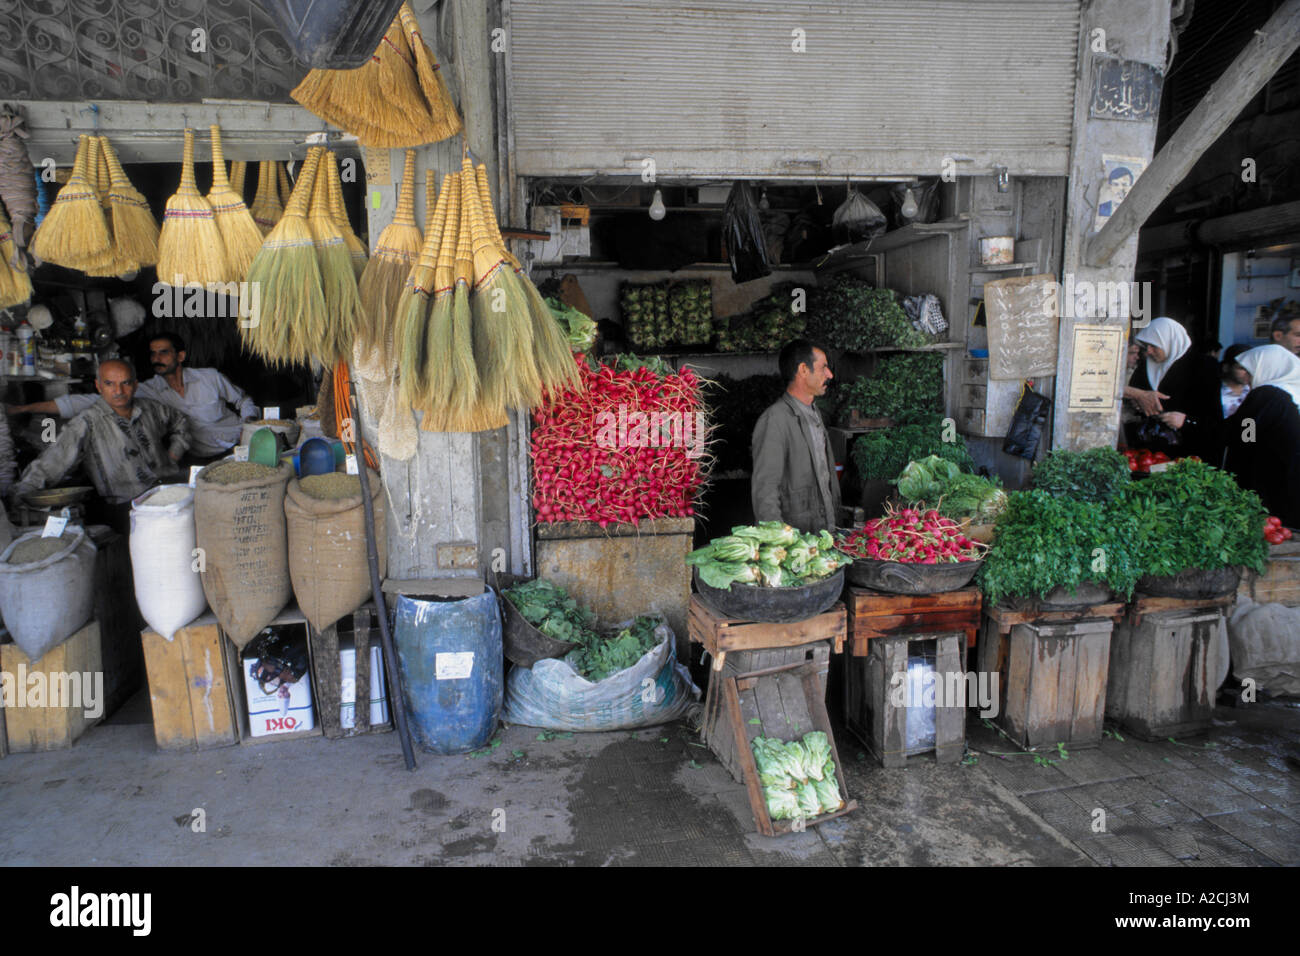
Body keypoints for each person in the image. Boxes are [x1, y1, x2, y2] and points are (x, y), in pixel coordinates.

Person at [7, 332, 257, 464]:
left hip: (240, 447)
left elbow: (243, 400)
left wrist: (249, 425)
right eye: (153, 354)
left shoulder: (209, 377)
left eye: (164, 353)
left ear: (180, 356)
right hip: (201, 458)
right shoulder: (146, 389)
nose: (157, 358)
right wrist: (22, 409)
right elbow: (87, 402)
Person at [12, 359, 190, 531]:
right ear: (98, 386)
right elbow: (52, 462)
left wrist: (173, 454)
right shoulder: (87, 422)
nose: (118, 391)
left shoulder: (152, 408)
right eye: (109, 384)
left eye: (125, 383)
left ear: (135, 385)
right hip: (127, 508)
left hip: (169, 492)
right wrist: (21, 495)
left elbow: (181, 421)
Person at [751, 339, 840, 533]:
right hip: (796, 548)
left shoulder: (814, 414)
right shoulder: (775, 420)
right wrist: (778, 543)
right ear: (803, 370)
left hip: (821, 539)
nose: (829, 374)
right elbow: (765, 492)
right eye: (823, 367)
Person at [1224, 344, 1300, 527]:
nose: (1247, 378)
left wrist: (1190, 423)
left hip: (1274, 490)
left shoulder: (1268, 395)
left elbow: (1245, 435)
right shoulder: (1292, 392)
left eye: (1250, 371)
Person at [1122, 316, 1219, 457]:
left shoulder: (1203, 366)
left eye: (1154, 346)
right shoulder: (1145, 367)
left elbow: (1213, 418)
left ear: (1169, 342)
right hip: (1146, 452)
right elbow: (1135, 401)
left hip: (1187, 451)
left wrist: (1186, 421)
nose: (1148, 351)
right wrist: (1137, 403)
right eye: (1146, 346)